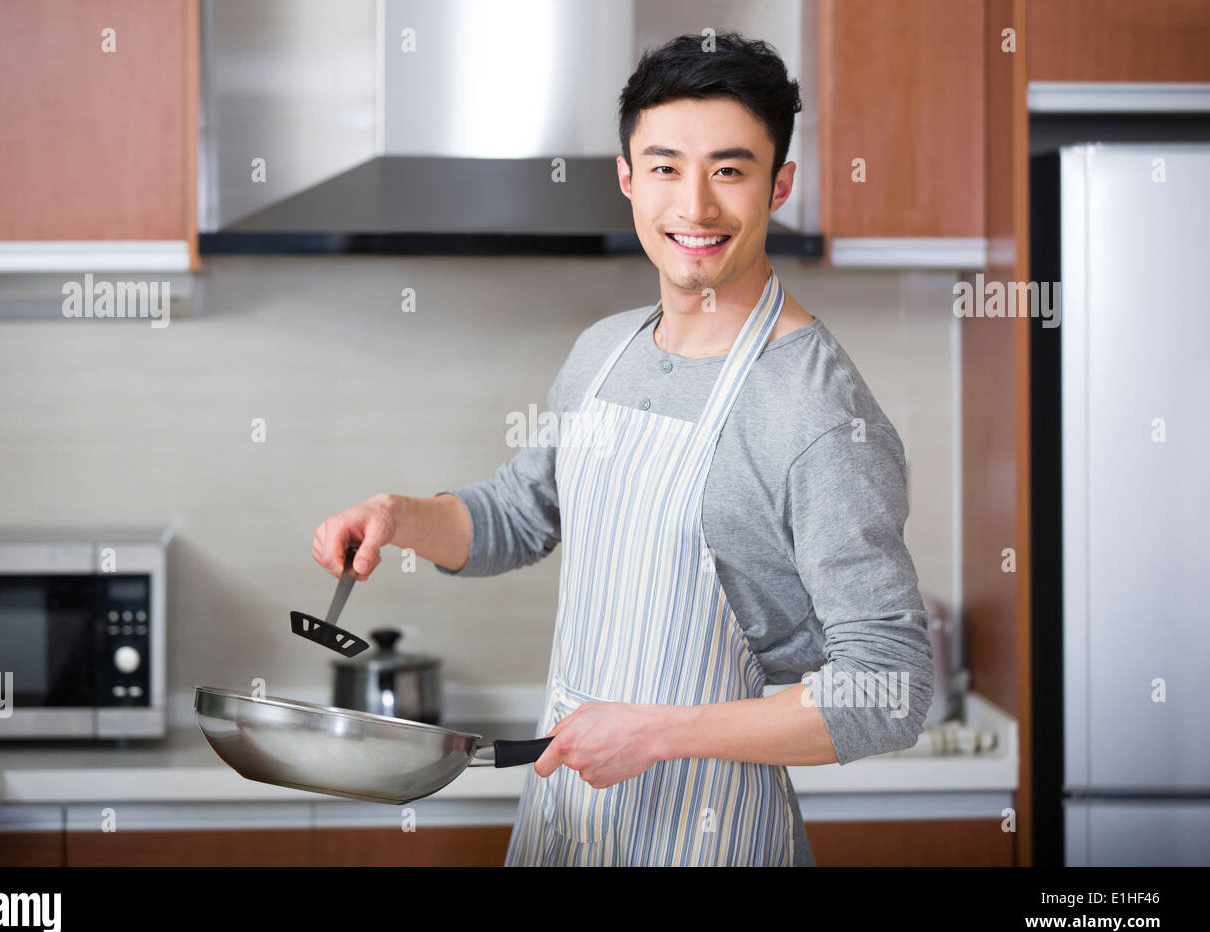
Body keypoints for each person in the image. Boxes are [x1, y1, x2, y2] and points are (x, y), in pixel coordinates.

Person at [312, 31, 933, 866]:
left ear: (780, 184)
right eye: (667, 167)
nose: (695, 208)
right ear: (627, 177)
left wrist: (660, 735)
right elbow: (520, 513)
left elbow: (888, 689)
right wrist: (397, 516)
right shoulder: (605, 353)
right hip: (566, 827)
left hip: (715, 839)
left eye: (730, 169)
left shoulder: (815, 410)